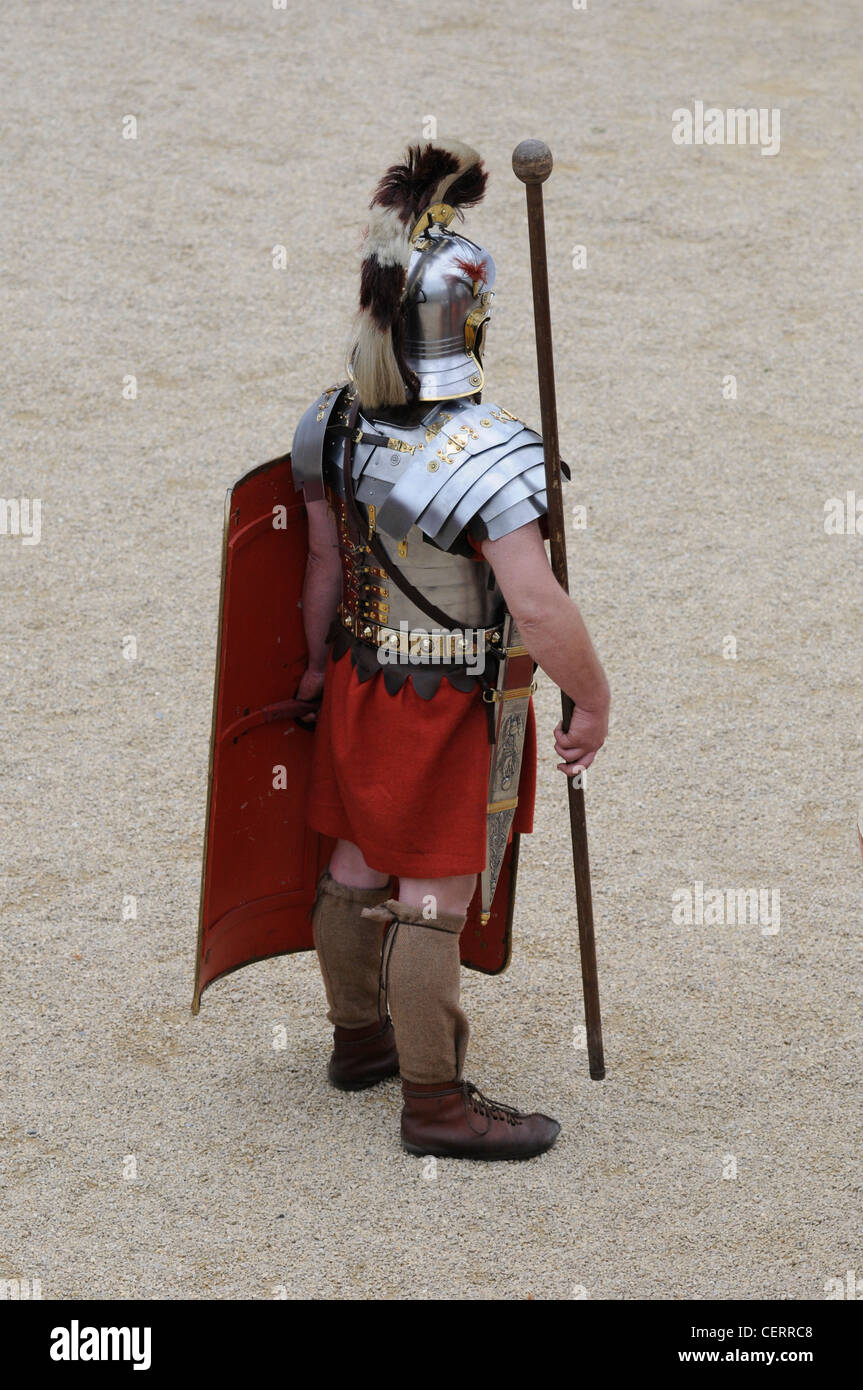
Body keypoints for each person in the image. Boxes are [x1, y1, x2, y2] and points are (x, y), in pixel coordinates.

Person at [290, 139, 609, 1160]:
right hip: (438, 702)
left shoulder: (331, 425)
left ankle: (356, 1041)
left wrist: (311, 669)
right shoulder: (491, 454)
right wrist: (591, 698)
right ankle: (432, 1103)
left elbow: (323, 577)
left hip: (353, 675)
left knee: (352, 861)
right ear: (467, 321)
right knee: (430, 897)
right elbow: (536, 603)